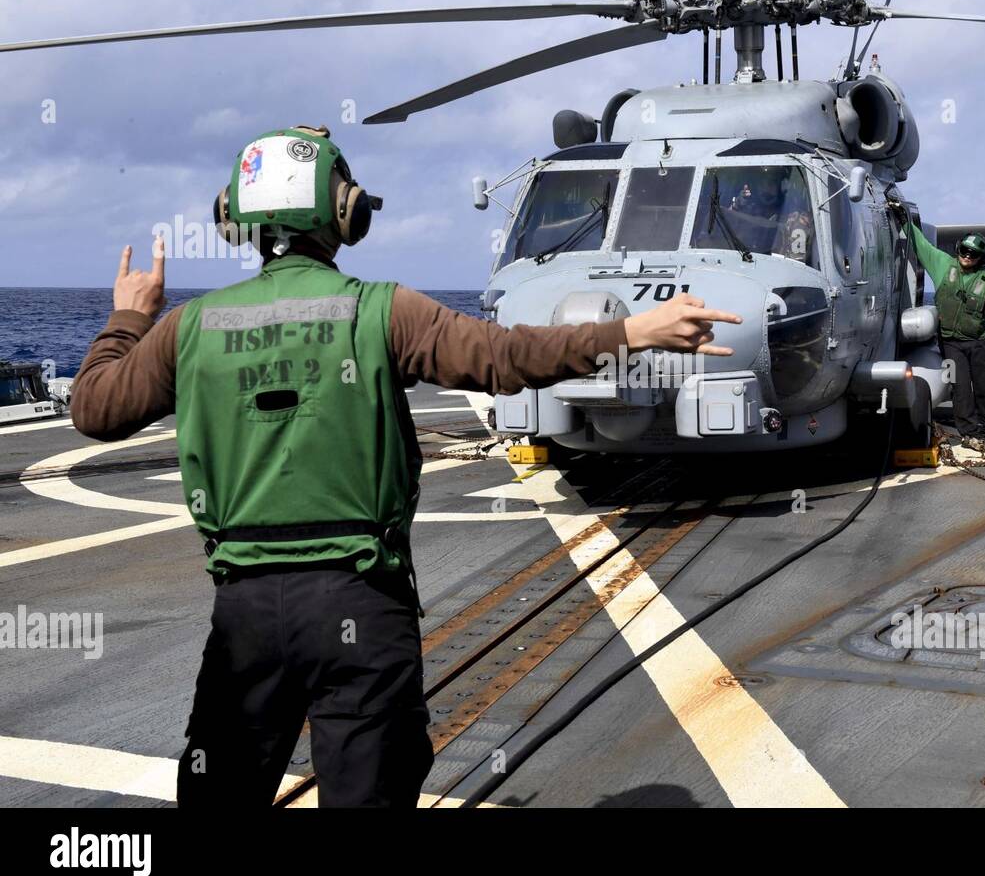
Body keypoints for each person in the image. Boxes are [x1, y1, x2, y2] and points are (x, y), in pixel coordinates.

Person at [72, 125, 742, 807]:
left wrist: (129, 317)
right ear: (344, 214)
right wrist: (629, 331)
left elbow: (95, 409)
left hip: (245, 612)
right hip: (360, 599)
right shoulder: (382, 311)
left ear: (235, 217)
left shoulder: (189, 328)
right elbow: (504, 358)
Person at [890, 204, 985, 449]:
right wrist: (904, 219)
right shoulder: (942, 264)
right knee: (960, 387)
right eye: (965, 250)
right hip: (951, 343)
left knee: (984, 388)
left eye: (973, 254)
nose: (967, 255)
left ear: (981, 258)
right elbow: (920, 243)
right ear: (958, 250)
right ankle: (969, 433)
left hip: (979, 343)